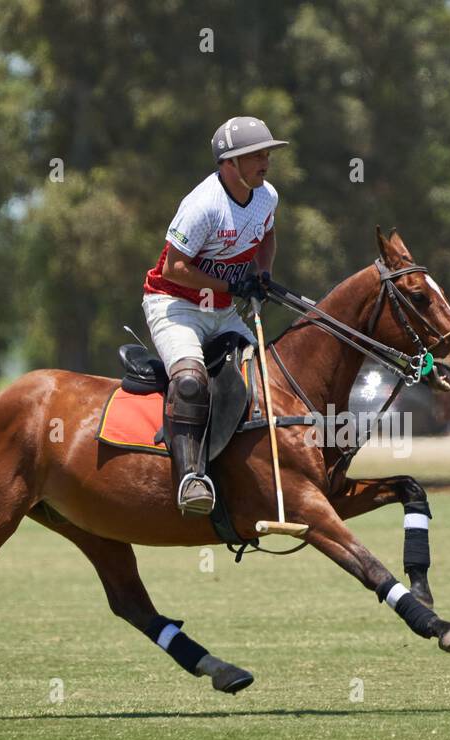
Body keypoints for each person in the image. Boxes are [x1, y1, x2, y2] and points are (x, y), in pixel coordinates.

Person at [141, 116, 288, 516]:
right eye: (255, 155)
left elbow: (268, 234)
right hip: (175, 305)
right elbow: (173, 267)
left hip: (221, 309)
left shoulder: (265, 196)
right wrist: (232, 285)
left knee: (265, 379)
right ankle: (192, 479)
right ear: (229, 163)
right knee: (190, 381)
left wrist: (261, 273)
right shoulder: (203, 206)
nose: (265, 161)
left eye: (266, 154)